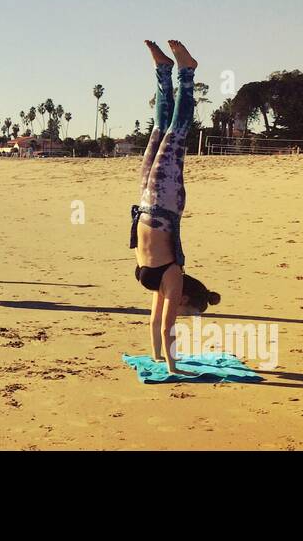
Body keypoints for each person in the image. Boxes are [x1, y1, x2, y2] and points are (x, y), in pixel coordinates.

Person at [131, 40, 221, 376]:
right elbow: (169, 325)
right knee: (176, 133)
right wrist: (173, 366)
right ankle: (188, 72)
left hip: (145, 205)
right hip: (165, 202)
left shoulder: (158, 284)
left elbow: (156, 322)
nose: (182, 316)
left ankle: (163, 71)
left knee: (157, 131)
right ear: (186, 298)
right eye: (190, 313)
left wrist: (155, 357)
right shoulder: (173, 279)